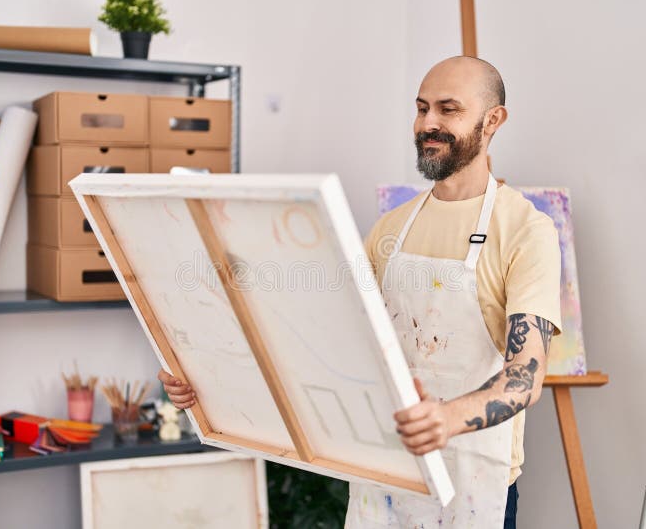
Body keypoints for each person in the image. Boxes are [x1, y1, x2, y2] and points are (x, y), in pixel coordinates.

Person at [159, 56, 562, 529]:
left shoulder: (526, 231)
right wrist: (207, 377)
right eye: (421, 108)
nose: (428, 123)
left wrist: (445, 420)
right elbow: (330, 344)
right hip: (383, 479)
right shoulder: (391, 229)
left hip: (473, 487)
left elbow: (525, 375)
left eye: (448, 109)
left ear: (493, 119)